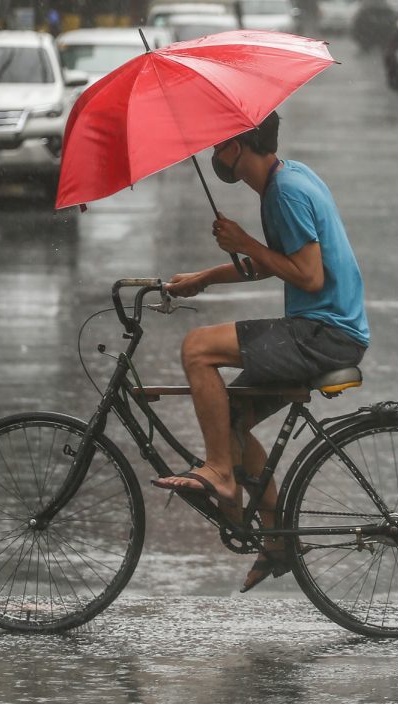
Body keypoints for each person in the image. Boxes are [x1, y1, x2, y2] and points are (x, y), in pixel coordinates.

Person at [152, 111, 371, 591]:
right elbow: (278, 263)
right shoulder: (288, 177)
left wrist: (244, 241)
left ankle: (220, 473)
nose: (214, 154)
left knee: (197, 348)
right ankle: (276, 540)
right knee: (228, 419)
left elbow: (308, 275)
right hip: (324, 330)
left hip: (323, 333)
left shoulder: (285, 192)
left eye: (219, 144)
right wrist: (205, 277)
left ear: (239, 146)